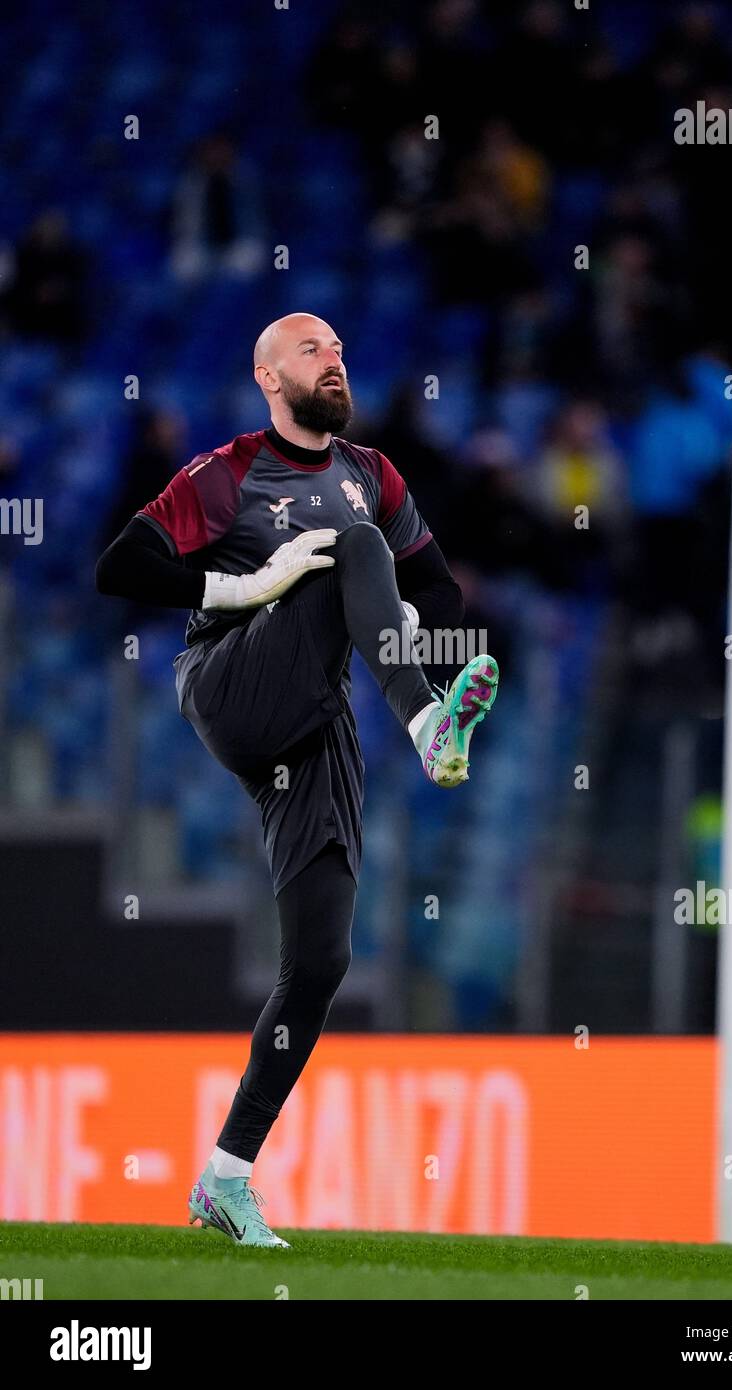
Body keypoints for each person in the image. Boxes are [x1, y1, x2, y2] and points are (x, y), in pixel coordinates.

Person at [95, 312, 498, 1247]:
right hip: (232, 678)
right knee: (354, 548)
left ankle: (225, 1179)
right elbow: (121, 565)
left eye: (343, 349)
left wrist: (394, 629)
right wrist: (238, 588)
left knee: (319, 960)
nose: (336, 359)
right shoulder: (229, 472)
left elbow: (435, 592)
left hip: (314, 719)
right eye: (314, 349)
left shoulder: (375, 475)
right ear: (268, 377)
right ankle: (434, 722)